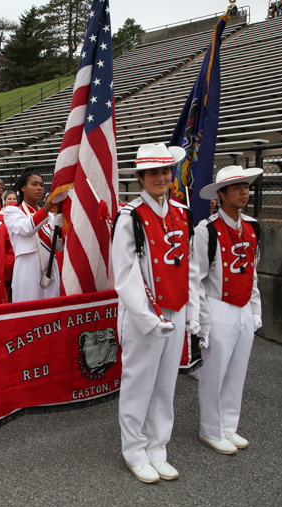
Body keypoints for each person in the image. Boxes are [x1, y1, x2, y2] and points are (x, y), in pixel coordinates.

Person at [111, 143, 193, 484]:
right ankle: (134, 450)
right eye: (153, 172)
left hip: (176, 309)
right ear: (141, 177)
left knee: (165, 385)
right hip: (144, 316)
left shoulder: (182, 212)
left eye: (165, 171)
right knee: (138, 385)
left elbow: (189, 267)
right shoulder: (129, 216)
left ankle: (158, 447)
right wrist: (148, 319)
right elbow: (125, 275)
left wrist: (191, 311)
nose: (161, 177)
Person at [188, 165, 263, 456]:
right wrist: (203, 318)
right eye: (236, 188)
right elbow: (195, 278)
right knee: (214, 372)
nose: (244, 192)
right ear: (221, 194)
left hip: (244, 307)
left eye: (246, 187)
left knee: (237, 370)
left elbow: (252, 273)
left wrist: (255, 309)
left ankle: (229, 425)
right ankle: (210, 429)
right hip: (218, 306)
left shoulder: (253, 227)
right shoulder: (206, 230)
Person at [2, 172, 64, 302]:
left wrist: (58, 229)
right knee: (29, 304)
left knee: (51, 305)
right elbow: (27, 229)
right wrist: (49, 203)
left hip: (50, 267)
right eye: (34, 184)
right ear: (23, 188)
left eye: (41, 185)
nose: (39, 188)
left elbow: (58, 247)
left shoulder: (49, 215)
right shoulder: (13, 211)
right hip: (27, 267)